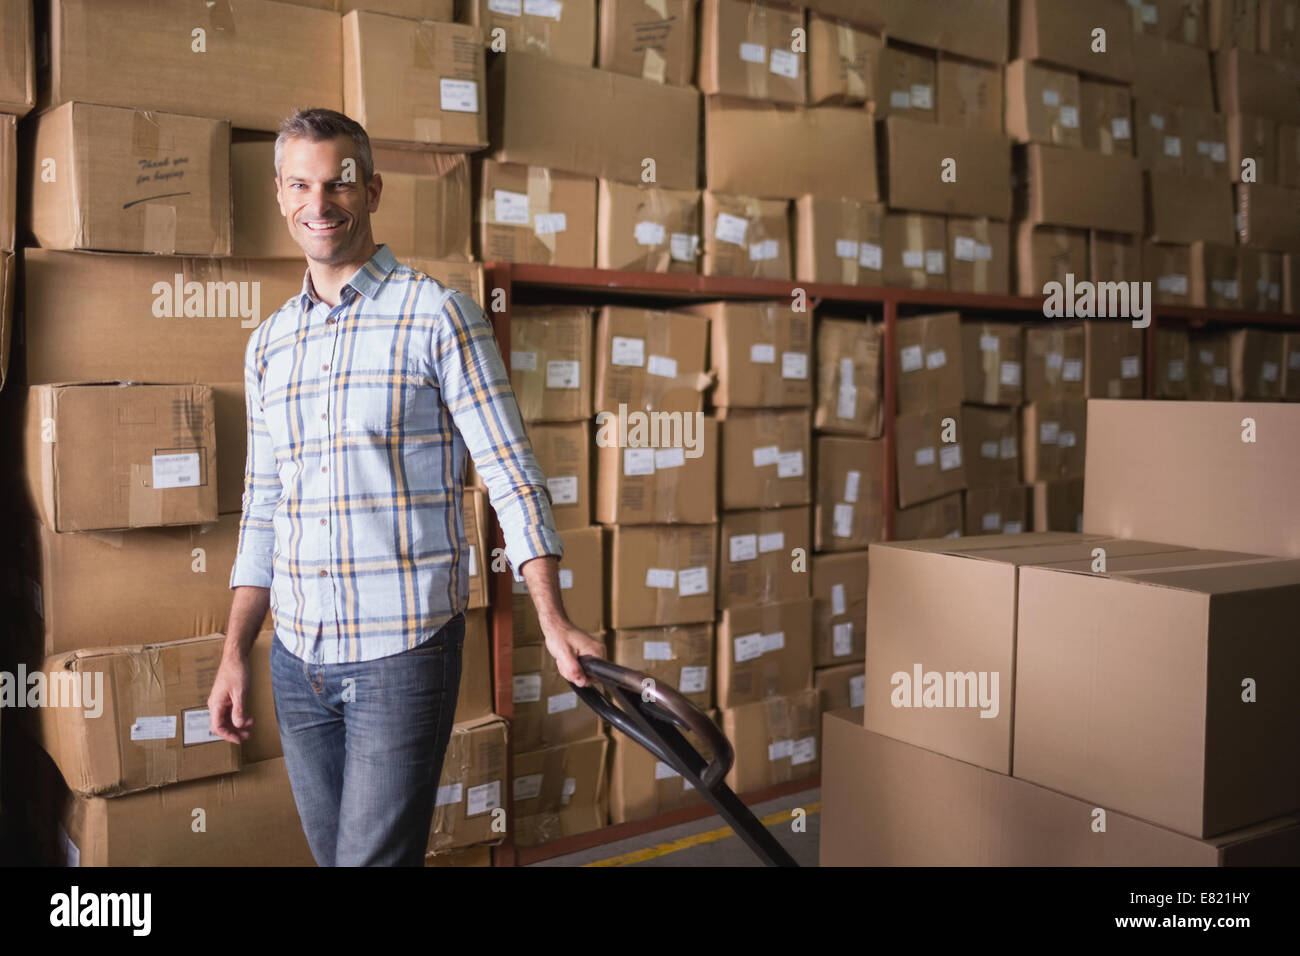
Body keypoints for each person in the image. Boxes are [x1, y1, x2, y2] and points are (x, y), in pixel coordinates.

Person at [206, 107, 605, 867]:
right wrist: (236, 653)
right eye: (301, 185)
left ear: (373, 190)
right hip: (296, 660)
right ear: (281, 196)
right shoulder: (269, 346)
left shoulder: (438, 316)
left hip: (401, 654)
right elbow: (263, 507)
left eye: (338, 183)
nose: (319, 204)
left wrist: (552, 620)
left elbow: (511, 475)